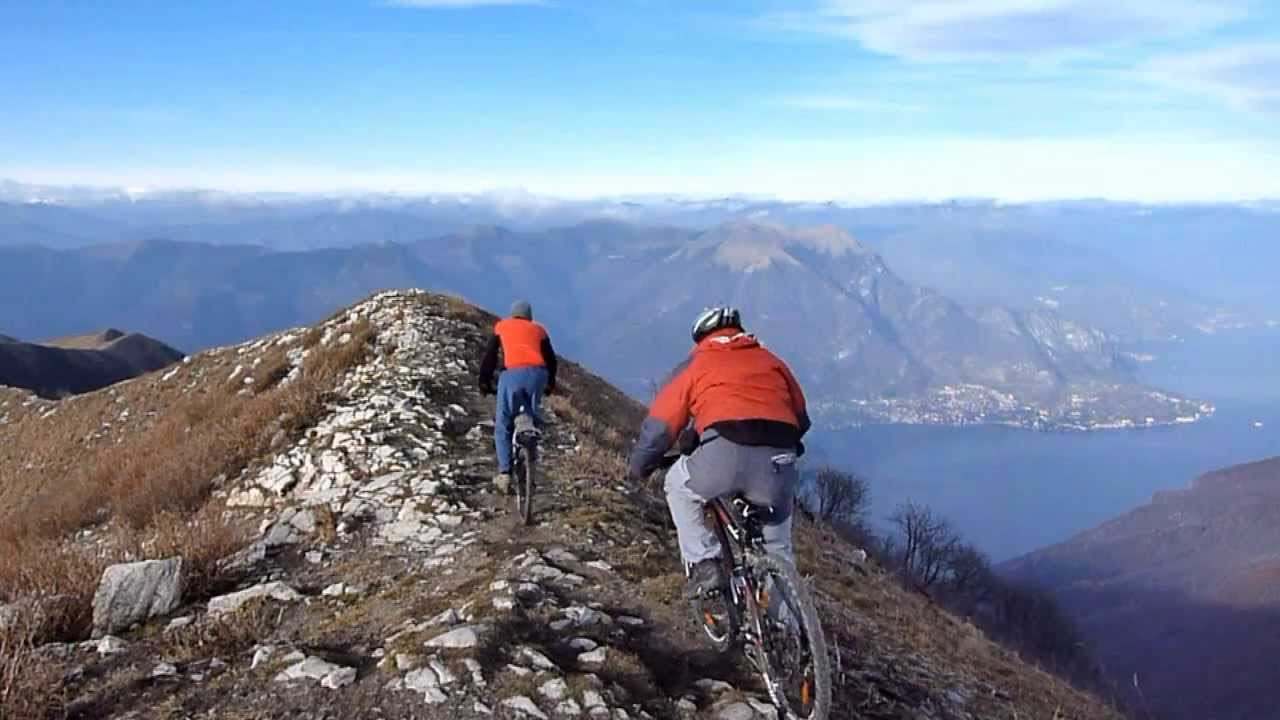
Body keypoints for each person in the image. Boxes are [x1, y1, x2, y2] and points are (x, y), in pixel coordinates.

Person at [628, 307, 810, 597]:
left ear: (701, 338)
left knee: (678, 486)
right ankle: (789, 630)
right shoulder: (773, 361)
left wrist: (640, 466)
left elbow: (661, 427)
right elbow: (801, 419)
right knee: (778, 548)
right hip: (780, 460)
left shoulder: (697, 364)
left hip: (725, 456)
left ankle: (704, 563)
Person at [479, 300, 557, 493]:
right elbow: (552, 360)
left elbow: (490, 357)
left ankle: (505, 474)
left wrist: (484, 382)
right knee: (531, 418)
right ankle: (530, 462)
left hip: (512, 375)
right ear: (529, 317)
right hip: (537, 375)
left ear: (512, 314)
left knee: (503, 424)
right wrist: (549, 385)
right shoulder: (539, 330)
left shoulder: (502, 327)